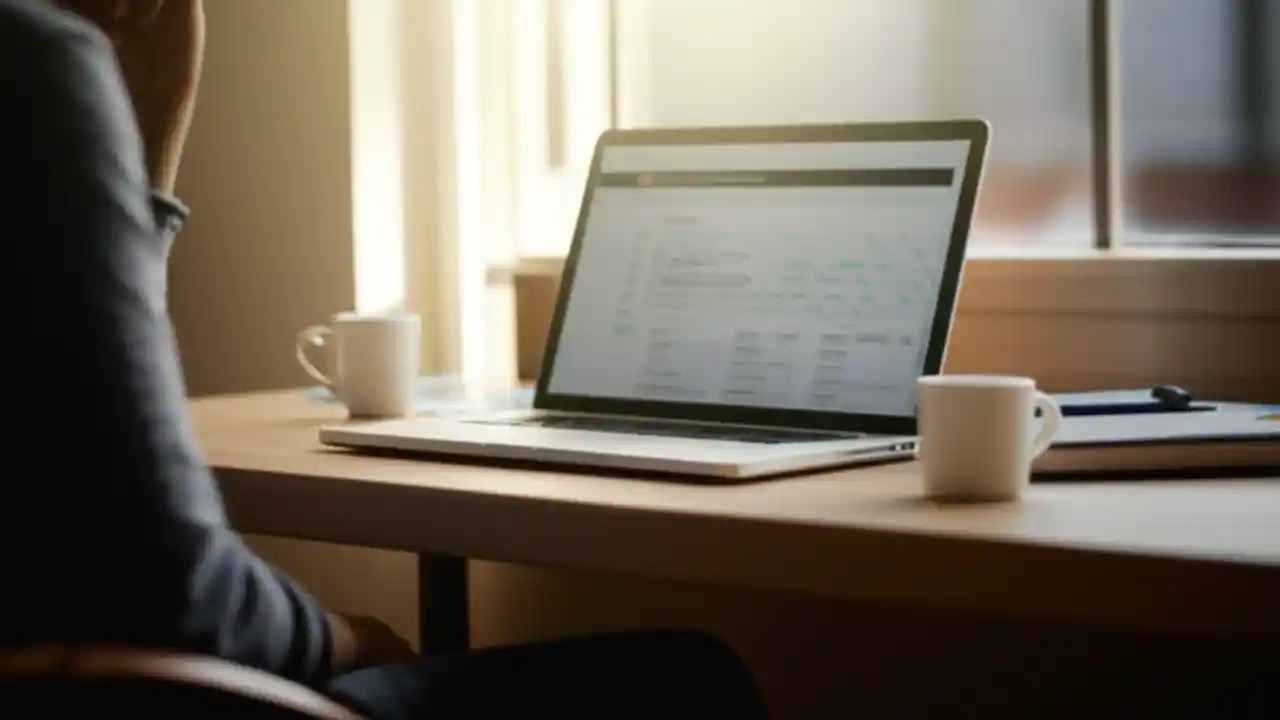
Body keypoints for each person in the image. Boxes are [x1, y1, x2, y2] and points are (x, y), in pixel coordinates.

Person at [0, 1, 765, 717]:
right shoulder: (33, 64)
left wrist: (151, 118)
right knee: (687, 673)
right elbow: (174, 592)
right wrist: (343, 635)